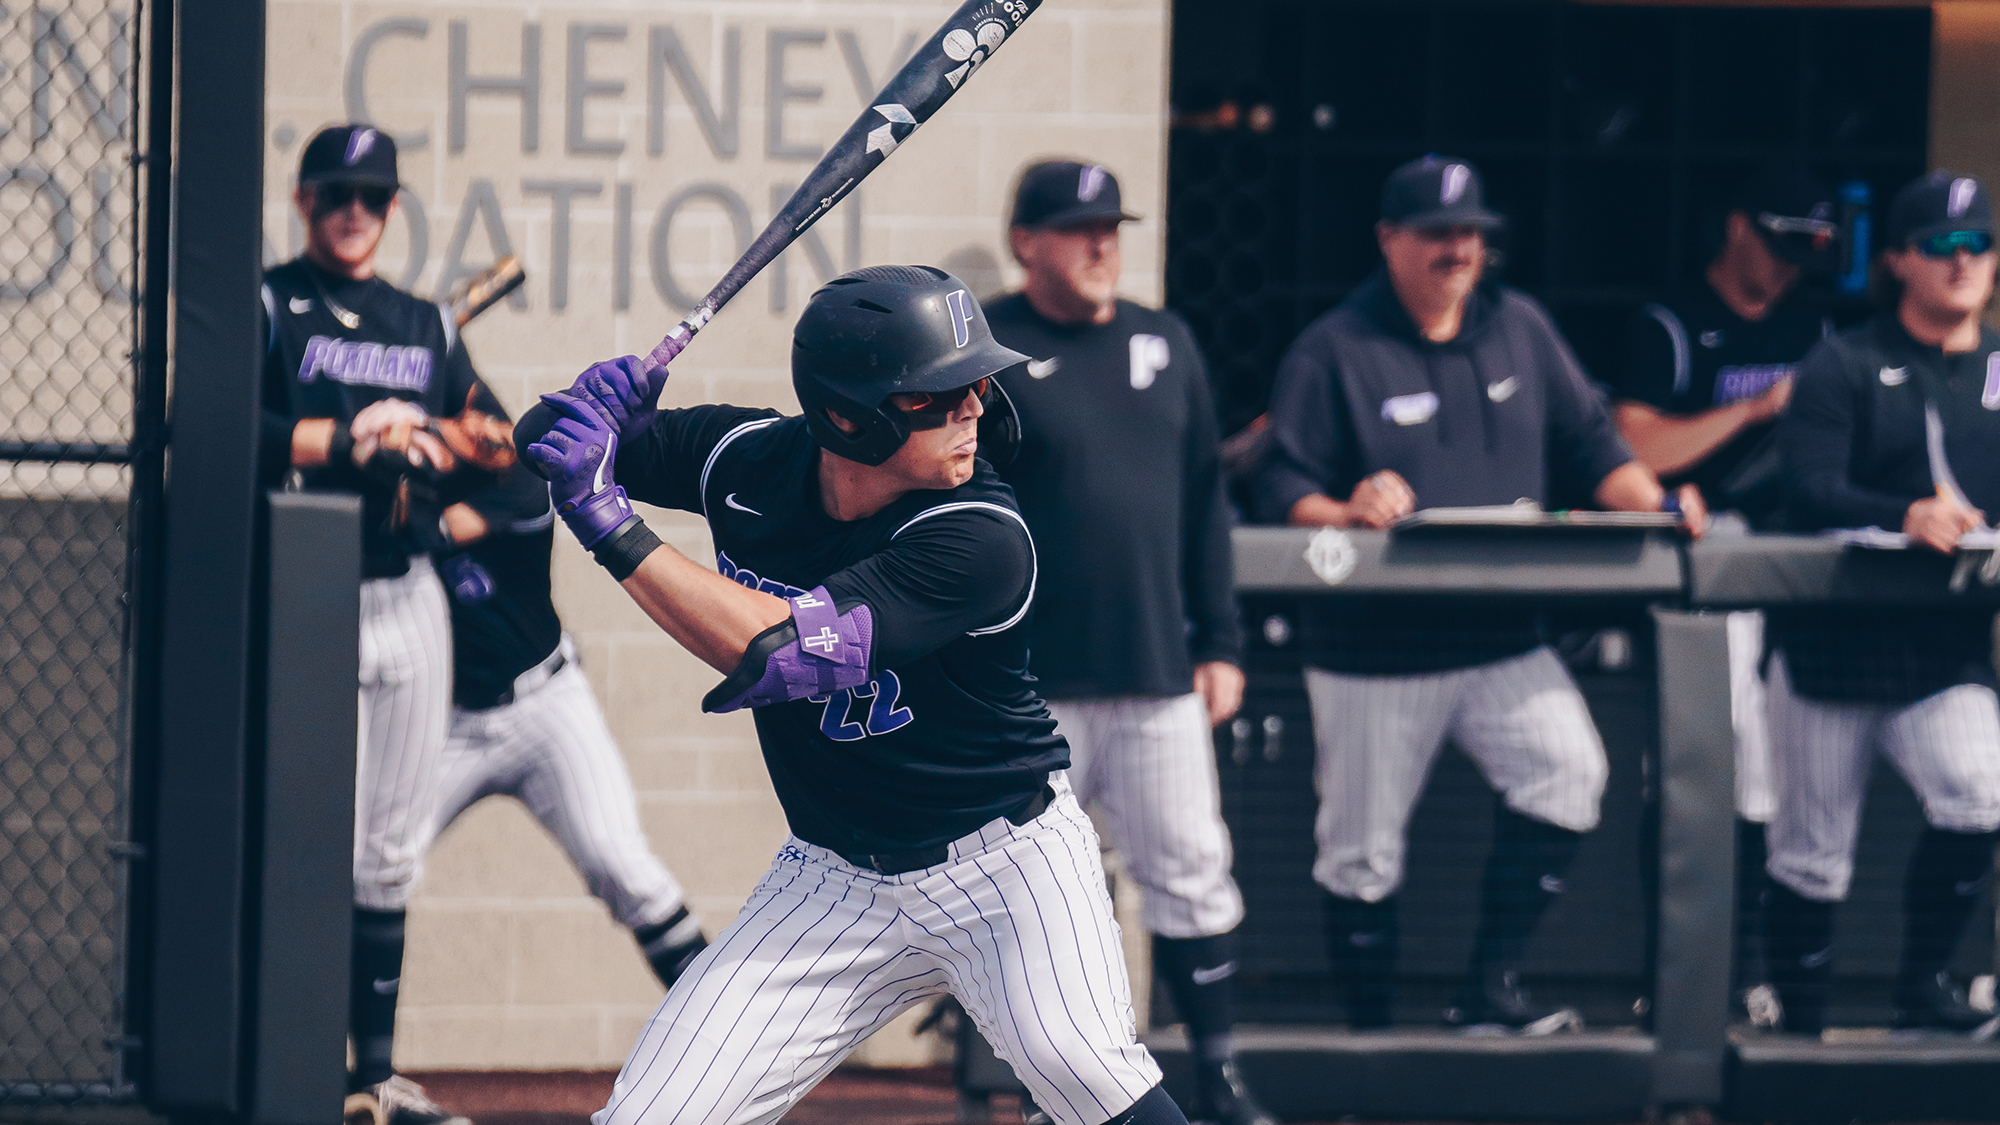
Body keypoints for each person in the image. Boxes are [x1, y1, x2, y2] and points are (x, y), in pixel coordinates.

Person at [516, 265, 1189, 1125]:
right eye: (940, 394)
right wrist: (592, 404)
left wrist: (613, 524)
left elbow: (777, 653)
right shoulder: (749, 457)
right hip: (832, 878)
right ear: (848, 417)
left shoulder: (979, 534)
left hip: (1006, 867)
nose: (974, 407)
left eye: (977, 383)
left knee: (1087, 1074)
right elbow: (539, 438)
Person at [1255, 154, 1704, 1033]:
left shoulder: (1520, 326)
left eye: (1469, 233)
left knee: (1570, 773)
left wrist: (1661, 505)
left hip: (1501, 633)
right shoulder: (1336, 346)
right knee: (1359, 855)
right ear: (1390, 240)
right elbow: (1278, 483)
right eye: (1435, 233)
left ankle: (1485, 992)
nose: (1456, 249)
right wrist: (1345, 507)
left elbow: (1594, 444)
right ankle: (1368, 1045)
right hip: (1373, 649)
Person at [985, 160, 1269, 1125]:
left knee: (1191, 872)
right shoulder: (987, 346)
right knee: (1037, 898)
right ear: (1028, 242)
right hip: (1030, 686)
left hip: (1156, 672)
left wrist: (1221, 640)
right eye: (1078, 228)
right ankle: (1040, 1090)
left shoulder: (1166, 338)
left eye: (1112, 225)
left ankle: (1221, 1076)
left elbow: (1206, 506)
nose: (1103, 243)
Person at [258, 124, 504, 1125]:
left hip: (407, 592)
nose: (352, 210)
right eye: (333, 192)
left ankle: (372, 1075)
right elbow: (226, 424)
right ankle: (287, 1059)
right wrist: (348, 439)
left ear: (393, 208)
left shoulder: (424, 325)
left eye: (371, 194)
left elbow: (495, 438)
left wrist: (430, 435)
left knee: (387, 848)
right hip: (299, 590)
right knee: (296, 834)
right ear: (302, 199)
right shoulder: (269, 299)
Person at [1764, 169, 2000, 1036]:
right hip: (1835, 647)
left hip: (1943, 647)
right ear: (1899, 260)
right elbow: (1808, 487)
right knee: (1813, 854)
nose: (1964, 260)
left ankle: (1923, 986)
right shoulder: (1844, 361)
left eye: (1979, 244)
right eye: (1942, 246)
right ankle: (1800, 1023)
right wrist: (1902, 513)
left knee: (1982, 791)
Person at [1608, 167, 1838, 1028]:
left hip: (1796, 568)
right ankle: (1675, 982)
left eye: (1801, 251)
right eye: (1776, 243)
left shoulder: (1814, 324)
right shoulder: (1671, 323)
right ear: (1737, 227)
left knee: (1779, 781)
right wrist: (1755, 412)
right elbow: (1633, 443)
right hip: (1702, 569)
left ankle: (1755, 979)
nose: (1785, 266)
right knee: (1701, 773)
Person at [423, 464, 709, 989]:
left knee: (623, 868)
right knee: (366, 873)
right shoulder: (376, 486)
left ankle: (723, 1036)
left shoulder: (503, 480)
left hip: (545, 703)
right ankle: (362, 1067)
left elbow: (515, 483)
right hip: (445, 723)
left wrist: (400, 519)